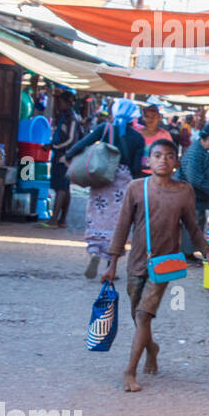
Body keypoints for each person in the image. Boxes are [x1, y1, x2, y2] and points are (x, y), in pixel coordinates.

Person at [101, 140, 209, 392]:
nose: (163, 160)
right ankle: (151, 348)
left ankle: (130, 371)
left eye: (169, 156)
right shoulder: (135, 188)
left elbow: (193, 227)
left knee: (144, 315)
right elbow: (122, 226)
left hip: (165, 263)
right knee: (138, 316)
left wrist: (207, 253)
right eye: (157, 155)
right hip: (136, 262)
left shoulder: (184, 191)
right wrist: (112, 264)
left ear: (176, 162)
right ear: (148, 161)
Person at [65, 99, 146, 279]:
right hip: (123, 185)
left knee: (98, 216)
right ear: (133, 116)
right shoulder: (138, 138)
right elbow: (136, 168)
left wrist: (68, 155)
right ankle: (111, 265)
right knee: (119, 222)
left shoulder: (105, 129)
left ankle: (95, 253)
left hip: (102, 178)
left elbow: (83, 143)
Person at [177, 123, 209, 254]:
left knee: (195, 226)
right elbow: (194, 178)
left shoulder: (204, 150)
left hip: (198, 198)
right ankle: (188, 255)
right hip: (192, 198)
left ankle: (190, 253)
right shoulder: (195, 152)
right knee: (192, 227)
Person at [44, 90, 82, 229]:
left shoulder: (71, 118)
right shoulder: (66, 116)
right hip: (62, 155)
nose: (58, 104)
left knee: (61, 187)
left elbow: (71, 140)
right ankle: (62, 220)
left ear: (68, 103)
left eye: (60, 102)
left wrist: (53, 146)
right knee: (65, 188)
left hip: (64, 157)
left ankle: (54, 219)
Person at [133, 103, 170, 175]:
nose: (150, 119)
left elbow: (169, 154)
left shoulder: (164, 135)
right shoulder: (137, 132)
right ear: (143, 117)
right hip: (137, 172)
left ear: (159, 118)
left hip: (156, 173)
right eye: (147, 116)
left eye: (153, 116)